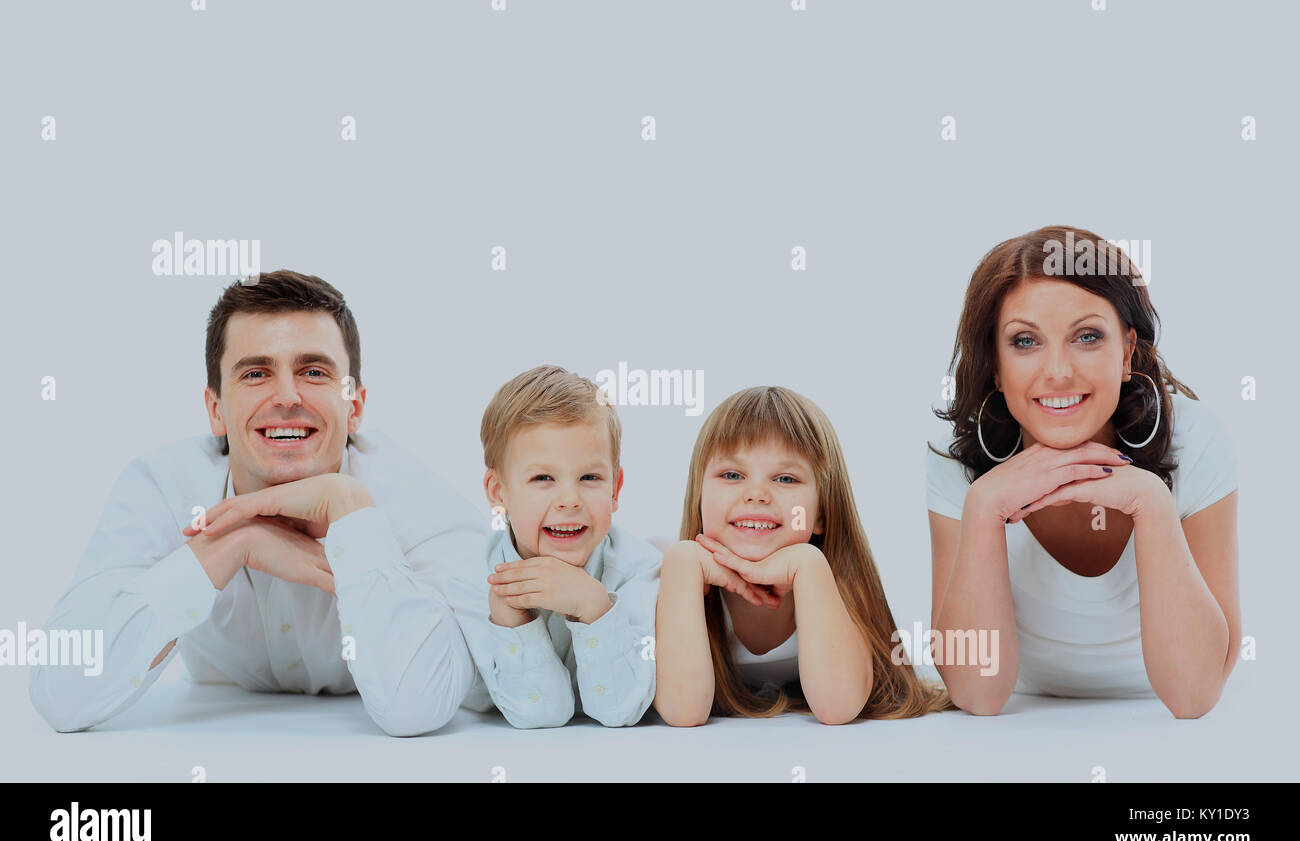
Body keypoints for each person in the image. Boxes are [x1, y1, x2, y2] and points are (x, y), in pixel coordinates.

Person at [30, 270, 483, 736]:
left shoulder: (420, 503)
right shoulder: (160, 486)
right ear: (215, 410)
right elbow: (61, 696)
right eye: (255, 373)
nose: (287, 397)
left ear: (356, 407)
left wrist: (349, 508)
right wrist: (230, 544)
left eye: (314, 371)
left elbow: (417, 708)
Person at [925, 226, 1239, 718]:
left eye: (1087, 336)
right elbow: (977, 694)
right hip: (1024, 727)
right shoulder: (956, 459)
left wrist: (1151, 503)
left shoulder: (1195, 441)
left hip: (1151, 729)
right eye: (1025, 341)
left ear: (1127, 353)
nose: (1058, 371)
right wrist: (984, 507)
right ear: (996, 366)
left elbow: (1195, 694)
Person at [655, 385, 951, 726]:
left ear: (821, 513)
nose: (756, 494)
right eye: (732, 475)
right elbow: (683, 712)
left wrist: (807, 565)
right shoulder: (677, 574)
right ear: (699, 498)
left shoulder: (839, 582)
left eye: (785, 478)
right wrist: (681, 563)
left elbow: (838, 707)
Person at [446, 365, 662, 728]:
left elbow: (622, 708)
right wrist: (514, 621)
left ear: (615, 489)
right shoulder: (472, 580)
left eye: (590, 477)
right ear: (499, 493)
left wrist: (593, 606)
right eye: (543, 478)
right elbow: (541, 714)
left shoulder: (639, 568)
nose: (569, 500)